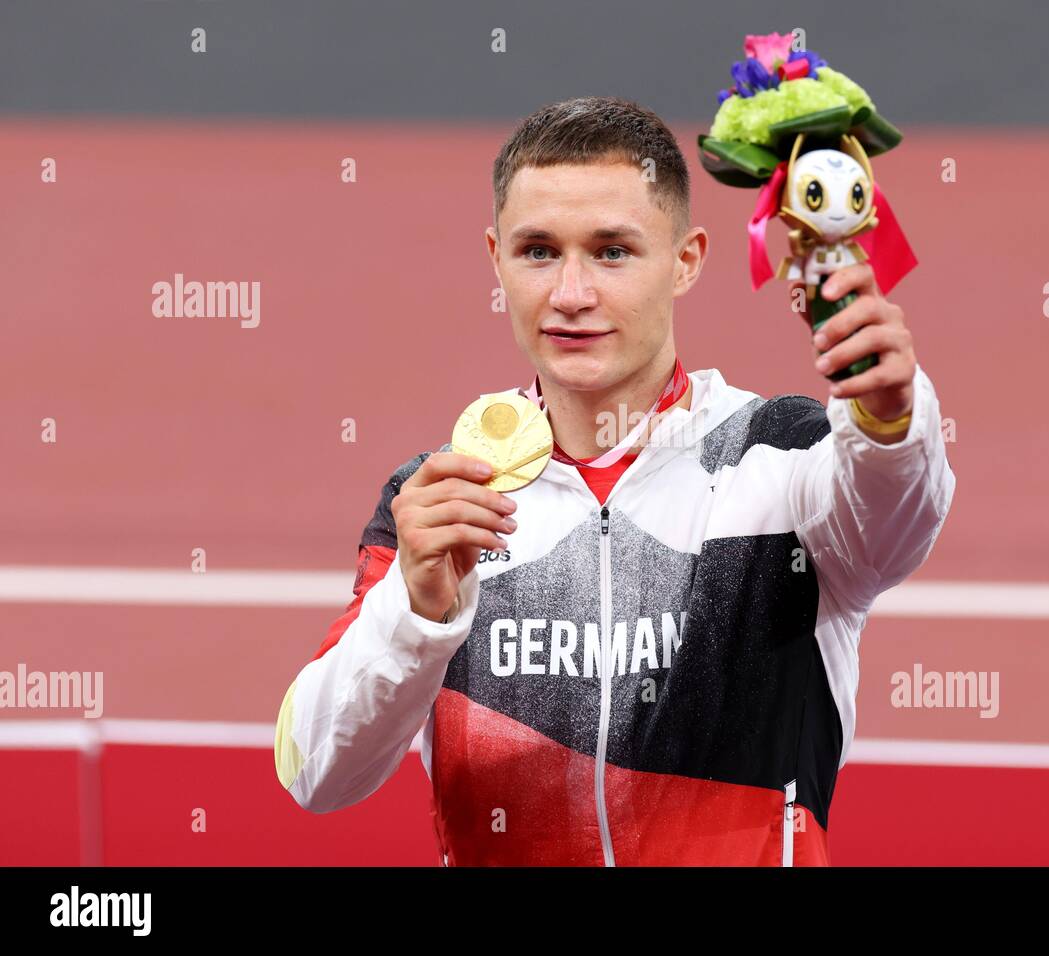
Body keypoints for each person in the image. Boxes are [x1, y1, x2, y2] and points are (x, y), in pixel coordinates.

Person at [273, 96, 956, 866]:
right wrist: (417, 610)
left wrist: (889, 418)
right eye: (538, 251)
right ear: (496, 258)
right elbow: (314, 772)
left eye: (613, 252)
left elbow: (895, 523)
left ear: (687, 259)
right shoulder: (440, 499)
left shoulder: (778, 458)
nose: (571, 295)